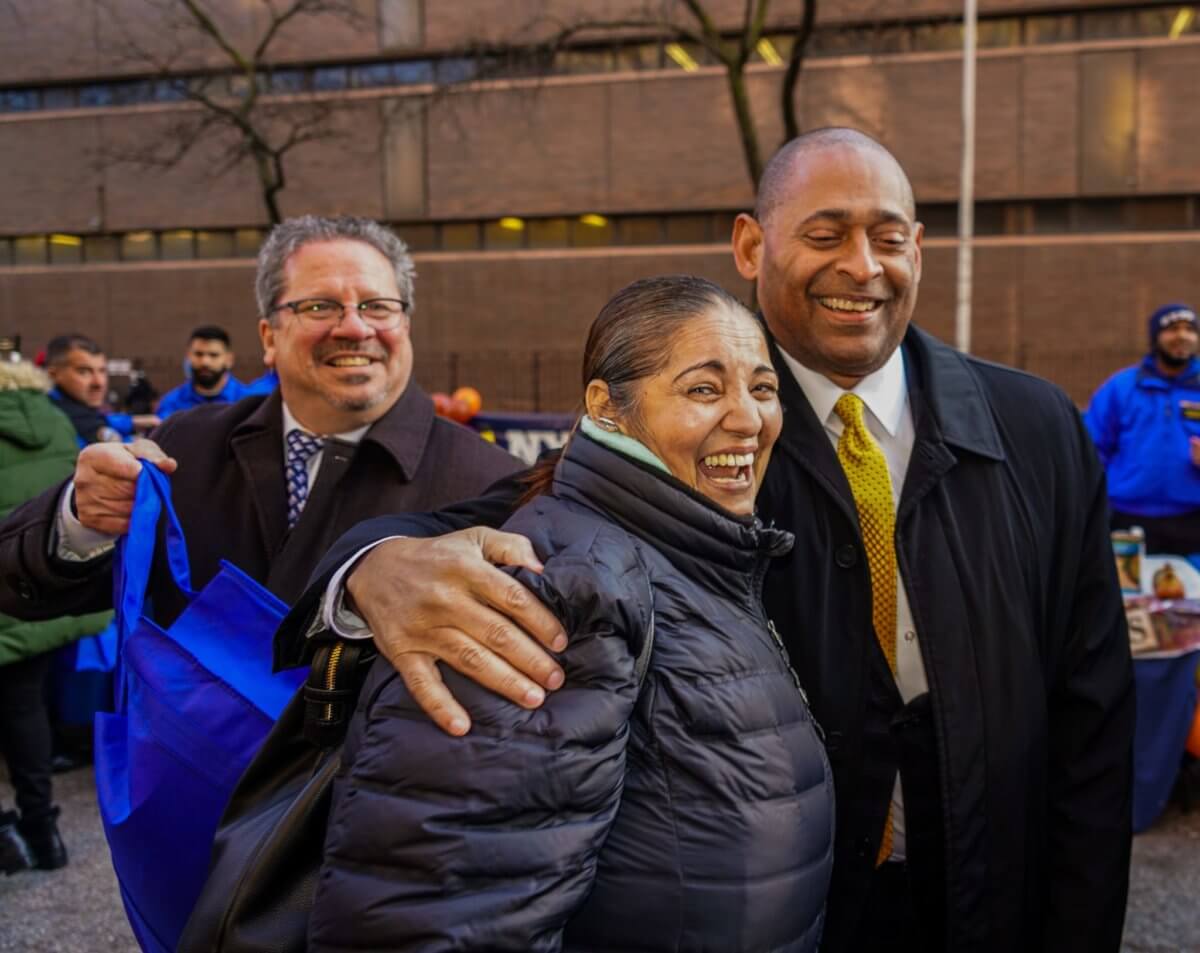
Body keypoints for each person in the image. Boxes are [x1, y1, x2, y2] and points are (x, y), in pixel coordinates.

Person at [281, 129, 1134, 953]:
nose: (861, 267)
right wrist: (373, 570)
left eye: (887, 237)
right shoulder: (692, 437)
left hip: (990, 903)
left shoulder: (1038, 428)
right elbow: (519, 512)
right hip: (808, 912)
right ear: (751, 245)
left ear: (919, 246)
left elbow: (1092, 715)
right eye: (826, 234)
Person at [308, 275, 834, 952]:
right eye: (704, 388)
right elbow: (440, 915)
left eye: (763, 388)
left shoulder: (699, 555)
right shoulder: (566, 584)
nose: (748, 417)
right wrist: (369, 569)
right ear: (605, 407)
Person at [0, 214, 520, 655]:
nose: (355, 328)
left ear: (404, 326)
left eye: (377, 306)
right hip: (201, 769)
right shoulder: (186, 447)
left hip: (379, 774)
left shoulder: (492, 486)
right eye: (320, 306)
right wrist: (81, 518)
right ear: (268, 337)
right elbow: (32, 591)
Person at [0, 352, 110, 874]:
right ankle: (44, 835)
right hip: (35, 591)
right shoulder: (49, 415)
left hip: (7, 586)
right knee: (26, 714)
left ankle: (11, 836)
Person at [1086, 303, 1200, 555]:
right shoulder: (1121, 387)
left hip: (1193, 518)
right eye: (1172, 328)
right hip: (1127, 517)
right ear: (1155, 337)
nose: (1182, 335)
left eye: (1189, 329)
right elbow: (1092, 449)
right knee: (1127, 593)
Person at [44, 335, 159, 445]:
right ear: (53, 375)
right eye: (83, 371)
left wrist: (132, 421)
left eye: (102, 371)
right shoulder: (49, 427)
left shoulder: (75, 411)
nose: (98, 383)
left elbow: (96, 419)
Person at [155, 325, 247, 418]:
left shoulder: (246, 402)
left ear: (229, 360)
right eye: (198, 354)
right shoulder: (172, 404)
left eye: (213, 355)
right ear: (188, 356)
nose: (205, 362)